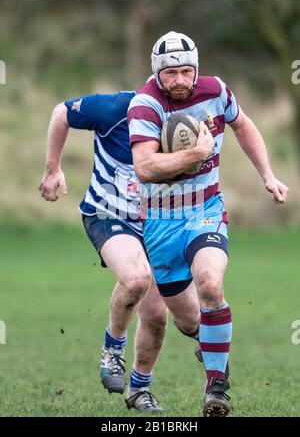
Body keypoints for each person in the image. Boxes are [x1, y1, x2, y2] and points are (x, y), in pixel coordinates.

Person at [128, 31, 289, 417]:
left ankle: (215, 389)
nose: (180, 80)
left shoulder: (217, 90)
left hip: (206, 211)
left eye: (186, 72)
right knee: (189, 322)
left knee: (212, 285)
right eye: (171, 74)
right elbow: (145, 167)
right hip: (160, 223)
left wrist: (267, 174)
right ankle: (210, 343)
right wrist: (197, 153)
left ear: (196, 69)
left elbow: (243, 124)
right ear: (157, 73)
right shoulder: (145, 104)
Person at [39, 92, 168, 412]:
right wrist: (53, 168)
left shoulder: (180, 122)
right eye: (167, 75)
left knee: (156, 315)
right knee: (137, 279)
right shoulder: (116, 109)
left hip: (156, 223)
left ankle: (139, 389)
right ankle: (113, 349)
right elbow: (61, 112)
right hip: (106, 213)